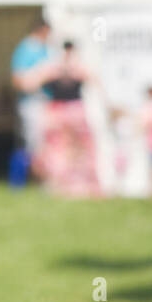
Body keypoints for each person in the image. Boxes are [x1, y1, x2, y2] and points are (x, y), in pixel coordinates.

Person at [37, 42, 101, 198]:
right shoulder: (52, 68)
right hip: (58, 111)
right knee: (57, 148)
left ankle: (82, 183)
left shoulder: (79, 68)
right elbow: (32, 82)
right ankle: (59, 183)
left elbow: (95, 81)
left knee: (81, 148)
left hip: (74, 110)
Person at [10, 15, 54, 166]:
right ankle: (32, 177)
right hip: (32, 102)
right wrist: (40, 78)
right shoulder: (27, 49)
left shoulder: (46, 49)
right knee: (34, 143)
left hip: (47, 102)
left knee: (47, 141)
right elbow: (18, 81)